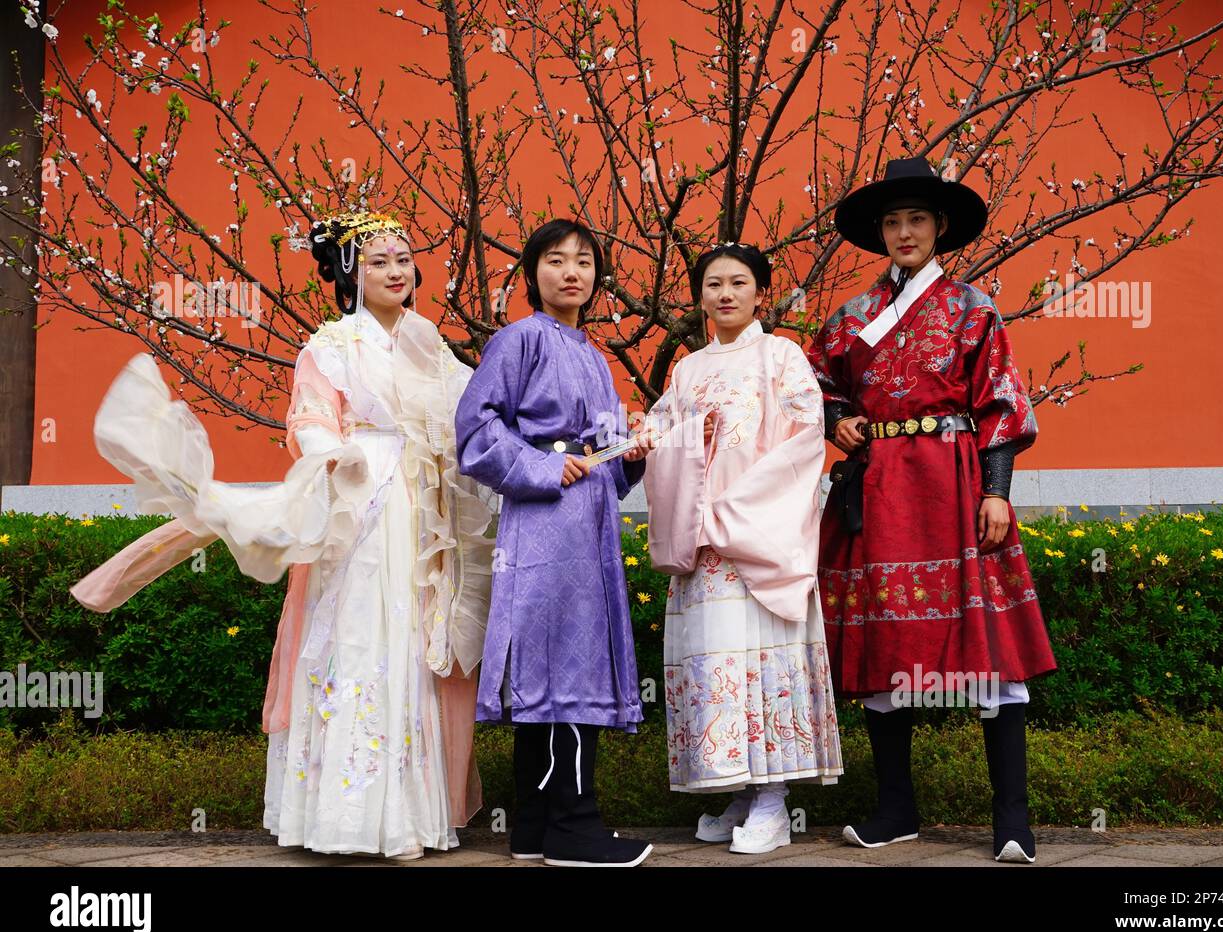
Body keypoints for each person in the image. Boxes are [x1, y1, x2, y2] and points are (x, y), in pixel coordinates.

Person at [71, 211, 495, 859]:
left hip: (424, 509)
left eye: (403, 259)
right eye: (378, 262)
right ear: (351, 273)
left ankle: (409, 815)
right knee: (358, 637)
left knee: (416, 643)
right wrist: (334, 454)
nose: (395, 272)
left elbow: (470, 415)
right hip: (358, 502)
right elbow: (310, 417)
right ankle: (346, 816)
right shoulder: (330, 345)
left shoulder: (430, 345)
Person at [807, 157, 1057, 863]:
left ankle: (1012, 818)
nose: (904, 231)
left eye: (917, 219)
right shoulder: (851, 317)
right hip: (880, 489)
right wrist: (837, 421)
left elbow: (1001, 403)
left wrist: (997, 490)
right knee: (888, 646)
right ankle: (896, 810)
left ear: (940, 226)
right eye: (892, 221)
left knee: (988, 648)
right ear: (881, 233)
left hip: (955, 481)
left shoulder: (975, 309)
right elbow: (812, 383)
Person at [454, 218, 654, 867]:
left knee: (570, 654)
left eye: (584, 261)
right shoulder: (517, 340)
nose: (572, 272)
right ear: (532, 271)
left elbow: (606, 460)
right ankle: (574, 824)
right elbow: (475, 431)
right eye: (556, 259)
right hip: (544, 521)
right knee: (561, 659)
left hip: (589, 518)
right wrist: (543, 466)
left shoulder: (594, 356)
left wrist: (631, 452)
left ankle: (535, 827)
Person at [641, 242, 843, 854]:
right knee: (717, 663)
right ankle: (739, 788)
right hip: (704, 546)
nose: (725, 294)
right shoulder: (688, 370)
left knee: (763, 662)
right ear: (699, 296)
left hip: (759, 534)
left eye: (738, 282)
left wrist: (734, 510)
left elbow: (804, 441)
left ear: (761, 293)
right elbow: (661, 431)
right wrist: (648, 437)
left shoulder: (781, 356)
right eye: (713, 284)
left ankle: (774, 801)